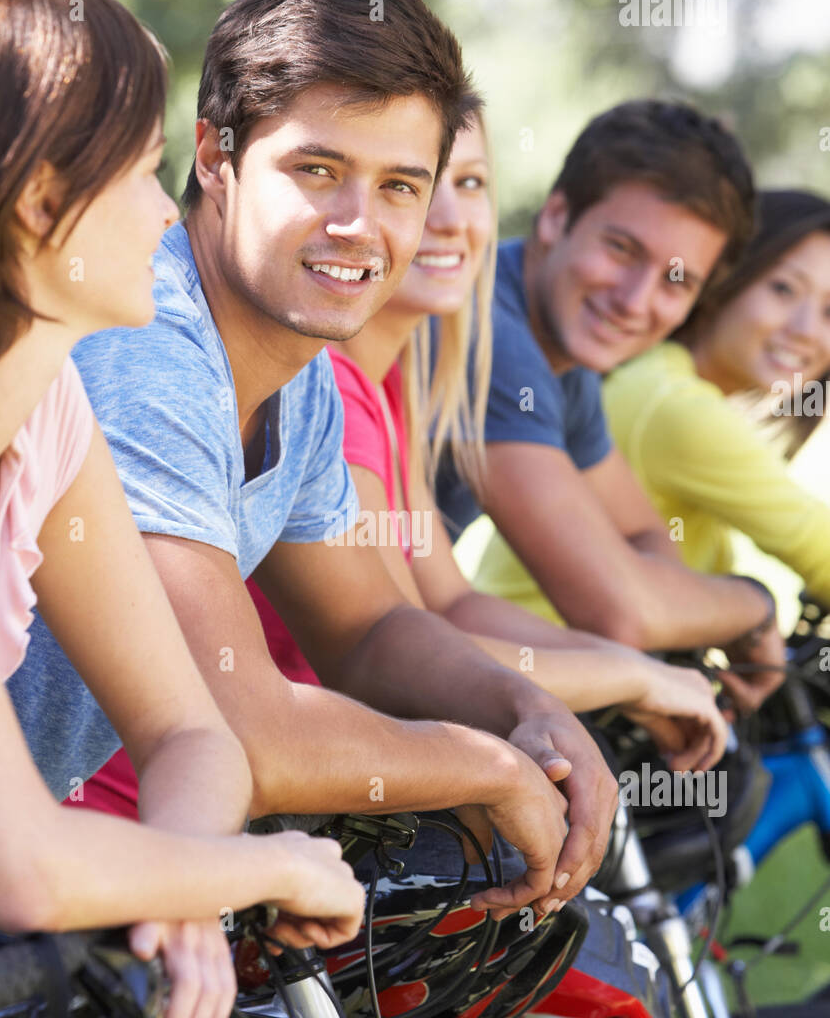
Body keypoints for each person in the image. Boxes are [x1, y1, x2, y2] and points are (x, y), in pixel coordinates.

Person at [7, 0, 619, 925]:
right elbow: (237, 721)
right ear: (214, 157)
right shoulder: (148, 348)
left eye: (400, 187)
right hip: (23, 875)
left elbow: (368, 627)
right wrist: (491, 767)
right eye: (318, 170)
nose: (358, 225)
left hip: (19, 879)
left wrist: (525, 708)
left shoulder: (300, 369)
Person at [0, 0, 364, 1018]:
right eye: (135, 171)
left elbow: (188, 730)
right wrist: (266, 869)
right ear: (36, 206)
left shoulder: (45, 401)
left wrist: (184, 874)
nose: (167, 209)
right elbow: (20, 866)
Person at [249, 112, 727, 772]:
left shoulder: (395, 387)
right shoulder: (328, 385)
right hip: (265, 779)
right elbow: (392, 645)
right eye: (409, 184)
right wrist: (632, 677)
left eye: (470, 183)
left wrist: (627, 671)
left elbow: (451, 603)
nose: (447, 217)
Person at [436, 100, 787, 713]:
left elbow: (643, 536)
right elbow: (618, 610)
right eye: (622, 250)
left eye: (675, 281)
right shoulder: (492, 330)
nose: (634, 300)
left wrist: (651, 625)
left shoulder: (567, 361)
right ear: (556, 215)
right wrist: (753, 606)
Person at [603, 188, 830, 692]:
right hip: (565, 705)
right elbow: (819, 549)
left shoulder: (662, 380)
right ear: (726, 277)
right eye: (784, 290)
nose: (805, 331)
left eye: (829, 313)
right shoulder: (676, 407)